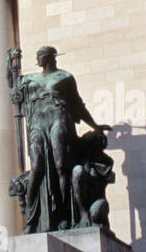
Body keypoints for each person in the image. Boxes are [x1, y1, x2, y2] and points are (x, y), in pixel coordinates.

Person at [10, 47, 107, 234]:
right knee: (37, 167)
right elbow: (13, 85)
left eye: (41, 55)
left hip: (59, 119)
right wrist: (11, 64)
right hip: (38, 122)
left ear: (50, 57)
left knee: (61, 166)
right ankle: (30, 220)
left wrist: (95, 126)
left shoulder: (65, 77)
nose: (37, 58)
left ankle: (62, 215)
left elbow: (78, 104)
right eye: (37, 55)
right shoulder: (29, 79)